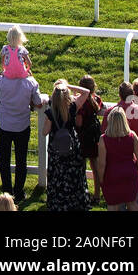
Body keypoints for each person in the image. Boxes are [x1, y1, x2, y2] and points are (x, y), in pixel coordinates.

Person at [0, 68, 43, 201]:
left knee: (4, 160)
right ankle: (18, 192)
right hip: (22, 126)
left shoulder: (1, 80)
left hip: (4, 125)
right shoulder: (30, 82)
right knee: (21, 160)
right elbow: (39, 103)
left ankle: (7, 191)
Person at [41, 79, 93, 211]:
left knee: (57, 177)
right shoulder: (73, 107)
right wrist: (66, 86)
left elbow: (44, 132)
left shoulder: (50, 113)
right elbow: (86, 92)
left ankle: (57, 203)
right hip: (72, 147)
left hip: (56, 150)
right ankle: (75, 202)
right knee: (75, 176)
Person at [98, 106, 138, 212]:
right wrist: (134, 168)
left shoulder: (103, 139)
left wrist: (101, 179)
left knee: (113, 205)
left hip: (111, 175)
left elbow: (102, 164)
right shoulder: (132, 136)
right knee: (132, 203)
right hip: (130, 173)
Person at [76, 74, 105, 202]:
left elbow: (79, 123)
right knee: (95, 166)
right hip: (94, 135)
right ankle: (97, 194)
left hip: (82, 135)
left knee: (80, 166)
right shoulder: (97, 99)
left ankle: (81, 192)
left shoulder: (81, 102)